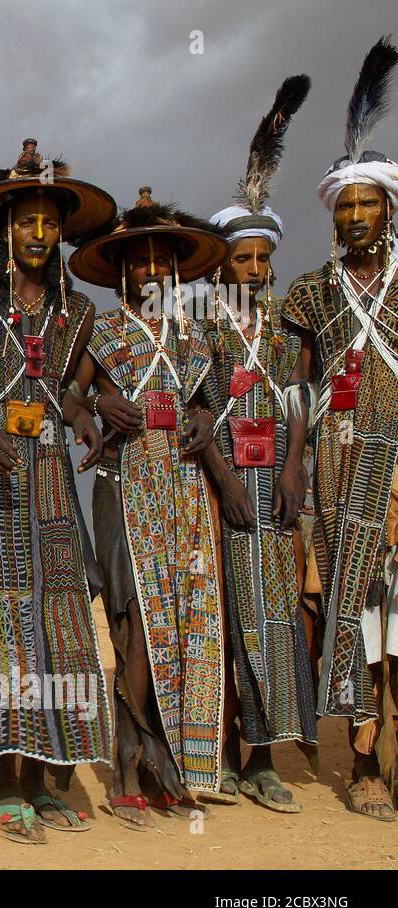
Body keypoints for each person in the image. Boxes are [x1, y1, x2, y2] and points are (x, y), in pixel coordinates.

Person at [0, 143, 115, 842]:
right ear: (5, 229)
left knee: (63, 633)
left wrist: (82, 417)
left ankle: (44, 778)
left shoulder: (81, 315)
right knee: (9, 634)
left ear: (62, 231)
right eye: (27, 222)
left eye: (49, 222)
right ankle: (5, 781)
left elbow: (66, 393)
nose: (39, 234)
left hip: (54, 488)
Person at [68, 188, 227, 829]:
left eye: (165, 259)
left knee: (186, 624)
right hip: (124, 487)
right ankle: (126, 767)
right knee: (133, 622)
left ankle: (171, 767)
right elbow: (65, 398)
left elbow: (213, 404)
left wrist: (203, 420)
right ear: (124, 270)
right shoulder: (102, 331)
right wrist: (97, 408)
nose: (154, 270)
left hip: (187, 492)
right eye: (141, 260)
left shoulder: (195, 337)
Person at [281, 37, 398, 822]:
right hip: (332, 466)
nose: (357, 216)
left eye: (370, 204)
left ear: (389, 209)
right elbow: (294, 388)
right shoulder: (310, 292)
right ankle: (363, 765)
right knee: (353, 613)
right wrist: (291, 466)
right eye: (346, 205)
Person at [201, 77, 317, 813]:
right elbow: (189, 412)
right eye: (238, 259)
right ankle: (222, 752)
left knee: (274, 614)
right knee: (227, 614)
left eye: (258, 260)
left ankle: (264, 758)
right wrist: (226, 478)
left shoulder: (284, 331)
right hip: (220, 489)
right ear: (222, 266)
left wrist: (297, 469)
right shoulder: (205, 330)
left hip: (277, 482)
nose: (250, 269)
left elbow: (300, 397)